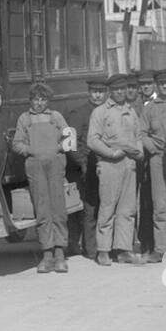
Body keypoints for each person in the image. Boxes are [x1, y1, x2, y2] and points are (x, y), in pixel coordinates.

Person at [13, 81, 72, 274]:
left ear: (48, 100)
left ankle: (60, 253)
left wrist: (57, 149)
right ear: (30, 100)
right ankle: (47, 254)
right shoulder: (24, 119)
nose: (39, 103)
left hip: (55, 165)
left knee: (58, 207)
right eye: (35, 99)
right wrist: (32, 151)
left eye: (43, 99)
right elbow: (17, 143)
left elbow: (70, 140)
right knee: (42, 207)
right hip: (35, 166)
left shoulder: (56, 117)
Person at [88, 73, 145, 265]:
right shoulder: (100, 112)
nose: (120, 92)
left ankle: (123, 250)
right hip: (109, 164)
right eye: (116, 89)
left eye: (123, 88)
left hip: (130, 164)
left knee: (127, 209)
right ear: (110, 91)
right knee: (107, 207)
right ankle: (103, 250)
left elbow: (138, 135)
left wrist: (139, 152)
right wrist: (110, 153)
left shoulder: (131, 110)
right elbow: (93, 140)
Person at [138, 68, 166, 260]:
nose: (164, 86)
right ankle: (161, 248)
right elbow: (142, 133)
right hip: (157, 160)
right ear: (156, 85)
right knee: (160, 204)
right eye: (161, 83)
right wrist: (151, 148)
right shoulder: (149, 108)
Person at [66, 78, 107, 259]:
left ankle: (104, 246)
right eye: (94, 91)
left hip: (105, 166)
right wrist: (82, 162)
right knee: (89, 208)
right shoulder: (79, 113)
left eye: (101, 91)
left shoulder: (107, 112)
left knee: (104, 207)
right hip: (85, 168)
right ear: (88, 92)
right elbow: (69, 143)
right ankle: (91, 249)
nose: (97, 95)